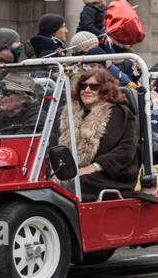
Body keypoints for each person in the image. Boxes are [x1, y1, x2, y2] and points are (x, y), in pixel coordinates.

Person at [58, 67, 140, 201]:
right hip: (69, 171)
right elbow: (52, 145)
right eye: (83, 86)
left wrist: (94, 167)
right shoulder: (67, 113)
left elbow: (127, 149)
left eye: (94, 87)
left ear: (105, 90)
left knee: (74, 186)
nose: (87, 90)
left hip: (109, 175)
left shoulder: (121, 113)